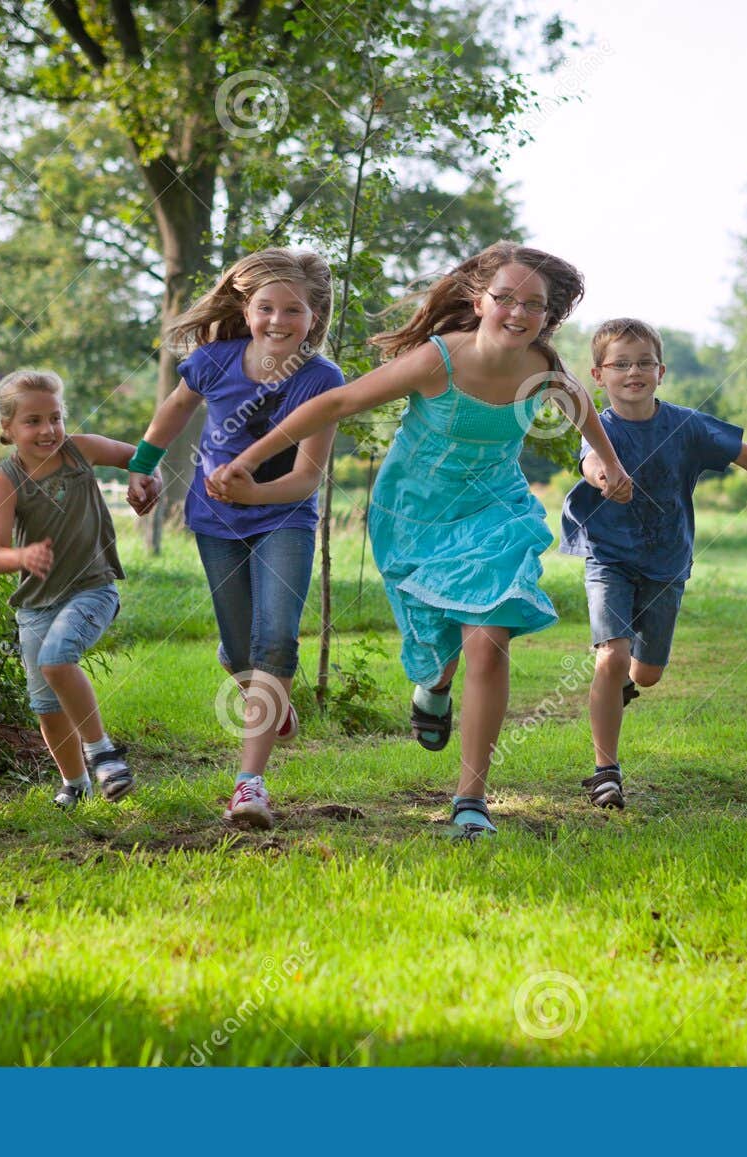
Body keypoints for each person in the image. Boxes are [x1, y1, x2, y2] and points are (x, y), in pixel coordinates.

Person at [209, 242, 631, 839]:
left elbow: (582, 407)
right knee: (438, 649)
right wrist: (248, 461)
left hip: (494, 511)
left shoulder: (543, 367)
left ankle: (470, 801)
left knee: (488, 639)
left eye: (533, 304)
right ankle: (433, 687)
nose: (517, 312)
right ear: (479, 300)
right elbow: (337, 401)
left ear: (548, 316)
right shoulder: (439, 361)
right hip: (414, 516)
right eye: (505, 298)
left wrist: (610, 464)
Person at [560, 318, 747, 809]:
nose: (633, 372)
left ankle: (623, 686)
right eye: (620, 364)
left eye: (644, 362)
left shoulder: (686, 426)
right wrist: (606, 477)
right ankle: (607, 771)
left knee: (645, 674)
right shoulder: (598, 428)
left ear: (662, 370)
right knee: (612, 656)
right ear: (598, 374)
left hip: (667, 560)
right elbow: (590, 461)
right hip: (608, 556)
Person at [126, 249, 343, 829]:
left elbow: (304, 478)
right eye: (266, 308)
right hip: (215, 521)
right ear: (246, 311)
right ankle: (267, 696)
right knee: (242, 652)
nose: (278, 321)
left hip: (284, 519)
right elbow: (173, 411)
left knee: (275, 642)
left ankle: (249, 786)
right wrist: (142, 466)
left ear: (313, 316)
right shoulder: (214, 361)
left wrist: (251, 495)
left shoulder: (323, 380)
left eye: (292, 310)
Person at [0, 369, 137, 810]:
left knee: (57, 659)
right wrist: (22, 557)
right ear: (8, 428)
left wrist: (144, 479)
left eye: (55, 417)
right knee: (46, 708)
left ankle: (104, 754)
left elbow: (142, 457)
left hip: (93, 587)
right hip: (34, 607)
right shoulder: (8, 480)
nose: (48, 430)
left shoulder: (81, 451)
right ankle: (76, 784)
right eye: (33, 421)